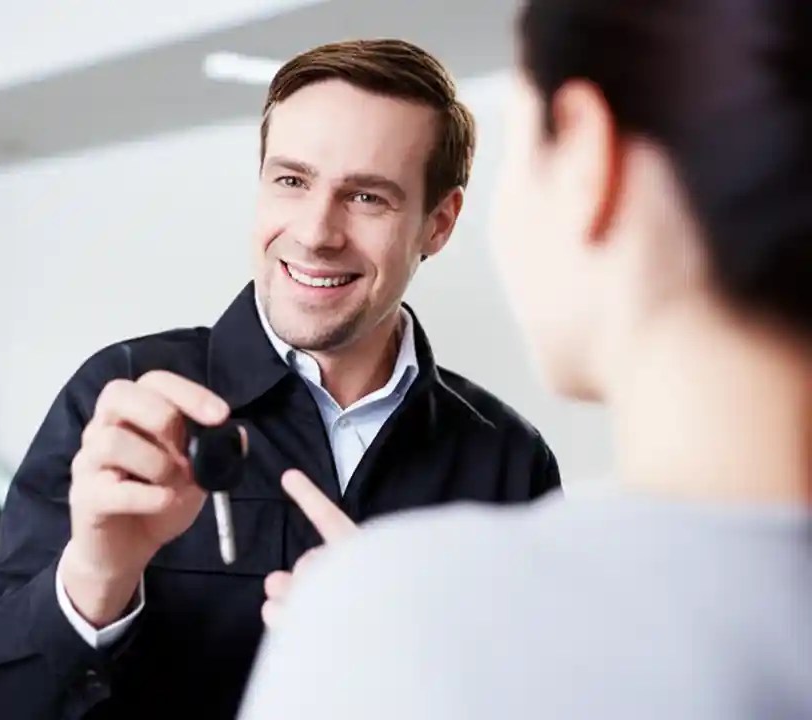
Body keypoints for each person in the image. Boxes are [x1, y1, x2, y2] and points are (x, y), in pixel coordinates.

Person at [0, 39, 562, 720]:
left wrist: (415, 660)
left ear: (438, 225)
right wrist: (96, 574)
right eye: (292, 181)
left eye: (366, 196)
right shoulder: (124, 395)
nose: (315, 232)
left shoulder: (509, 460)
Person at [239, 1, 812, 718]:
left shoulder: (398, 603)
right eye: (290, 180)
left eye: (523, 143)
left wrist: (381, 627)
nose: (319, 231)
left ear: (583, 155)